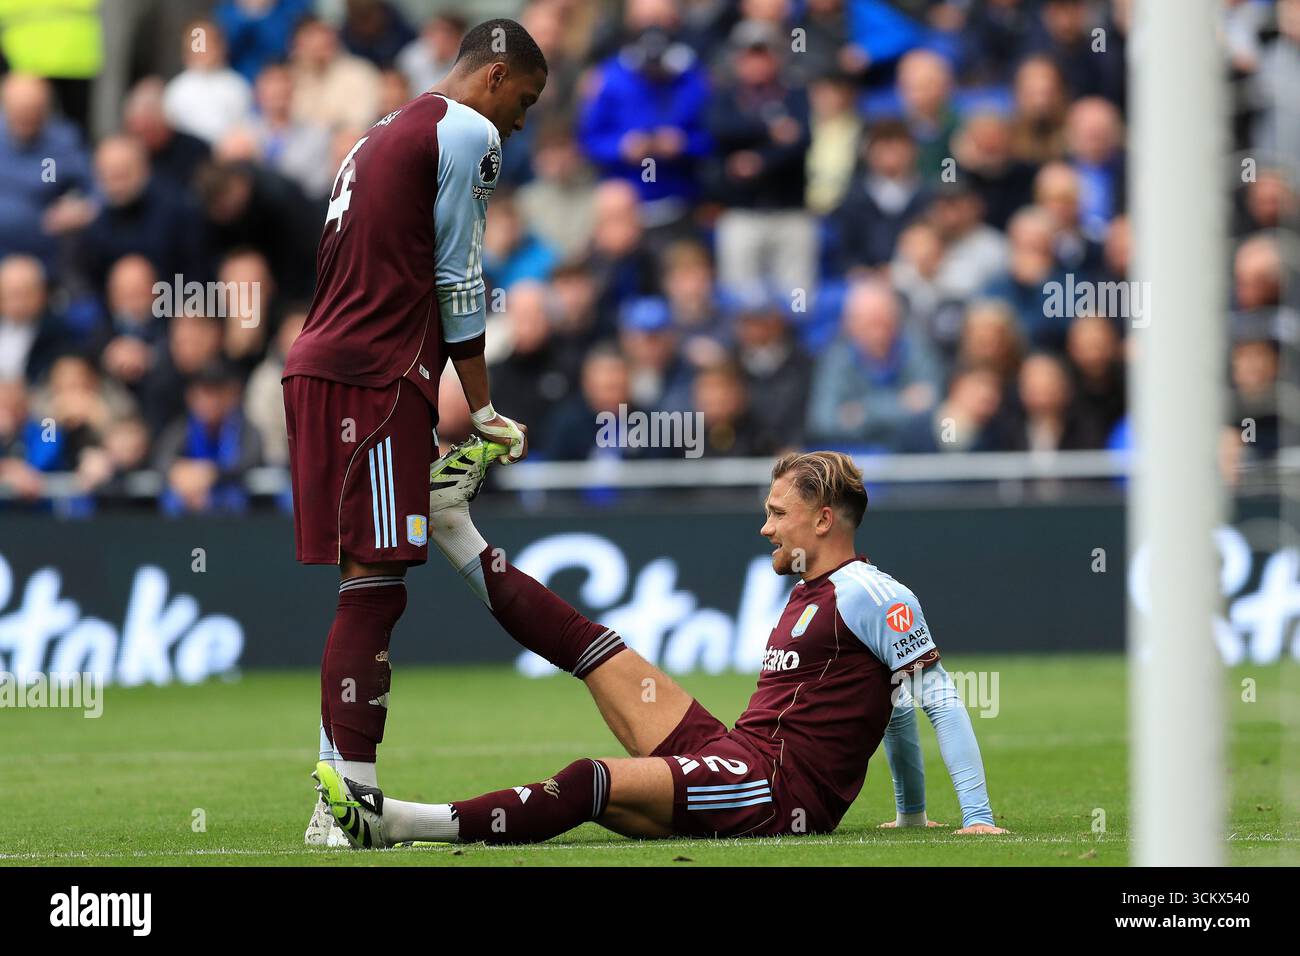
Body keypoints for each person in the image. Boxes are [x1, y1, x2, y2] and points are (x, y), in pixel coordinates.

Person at [313, 445, 1006, 846]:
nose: (766, 529)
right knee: (593, 648)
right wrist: (911, 814)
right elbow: (896, 709)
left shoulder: (872, 592)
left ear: (824, 521)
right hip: (739, 753)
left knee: (593, 780)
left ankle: (398, 824)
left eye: (777, 514)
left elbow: (934, 700)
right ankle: (452, 523)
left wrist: (975, 819)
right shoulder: (809, 589)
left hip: (772, 789)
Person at [283, 17, 546, 847]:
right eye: (526, 100)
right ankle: (351, 805)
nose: (523, 121)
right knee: (378, 582)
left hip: (321, 366)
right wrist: (483, 402)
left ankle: (333, 801)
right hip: (377, 372)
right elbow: (458, 274)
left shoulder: (383, 129)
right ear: (496, 76)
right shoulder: (467, 132)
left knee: (366, 579)